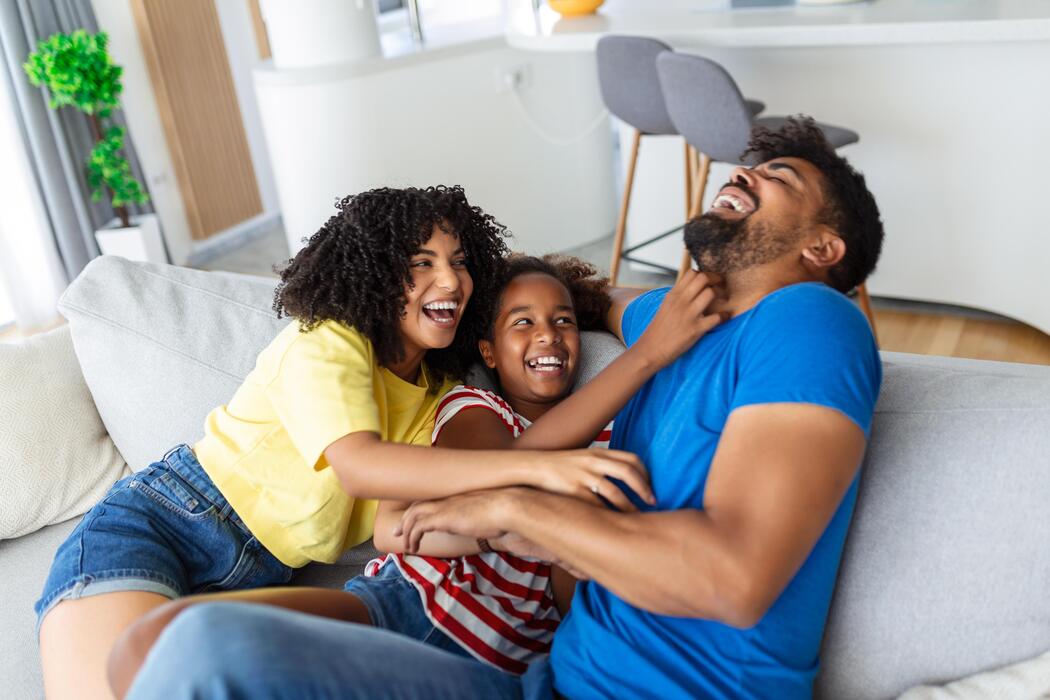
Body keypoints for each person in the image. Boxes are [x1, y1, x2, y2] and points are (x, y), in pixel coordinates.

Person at [124, 116, 885, 699]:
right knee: (191, 647)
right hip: (542, 679)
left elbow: (731, 579)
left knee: (203, 653)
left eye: (776, 175)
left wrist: (510, 511)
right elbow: (599, 299)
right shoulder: (677, 320)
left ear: (822, 249)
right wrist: (514, 293)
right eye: (747, 165)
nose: (743, 174)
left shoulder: (811, 319)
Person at [35, 186, 645, 700]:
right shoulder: (331, 340)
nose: (450, 279)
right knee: (131, 678)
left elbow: (397, 525)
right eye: (422, 262)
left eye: (459, 262)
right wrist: (536, 484)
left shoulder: (436, 396)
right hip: (165, 525)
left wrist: (602, 299)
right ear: (375, 271)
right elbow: (360, 467)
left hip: (260, 572)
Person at [106, 253, 725, 694]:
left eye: (563, 320)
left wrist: (612, 304)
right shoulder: (470, 408)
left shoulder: (613, 441)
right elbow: (482, 484)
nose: (550, 335)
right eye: (523, 322)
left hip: (501, 661)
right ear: (486, 351)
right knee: (157, 641)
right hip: (396, 606)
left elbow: (572, 591)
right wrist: (645, 357)